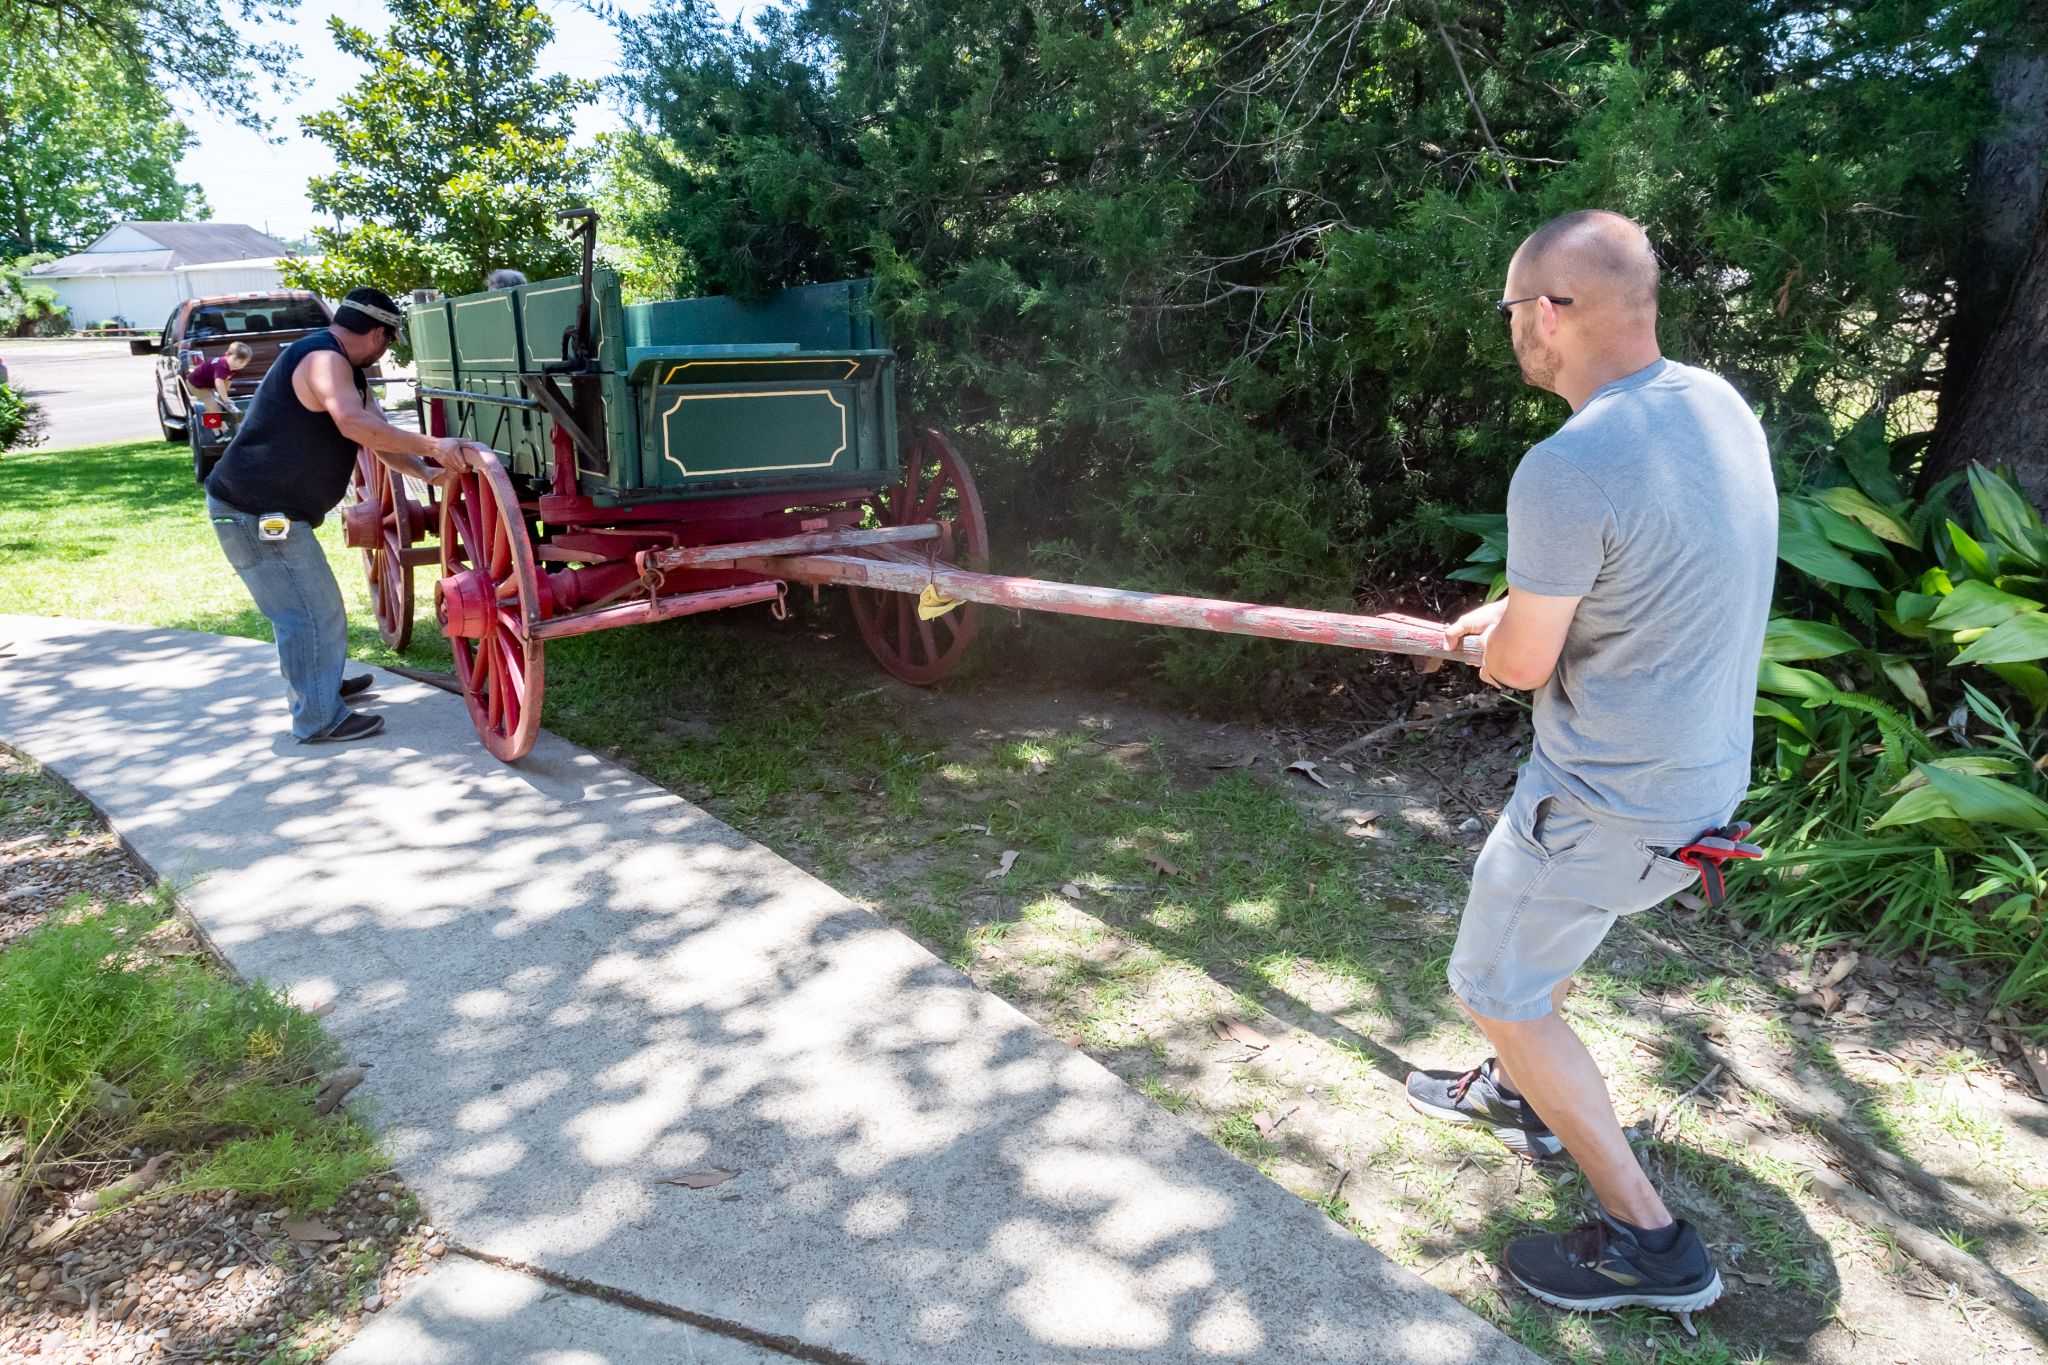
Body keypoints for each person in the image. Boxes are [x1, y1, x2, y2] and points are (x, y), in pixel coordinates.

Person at [1406, 210, 1775, 1314]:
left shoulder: (1565, 464)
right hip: (1698, 786)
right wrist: (1508, 614)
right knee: (1543, 950)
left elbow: (1522, 664)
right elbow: (1636, 575)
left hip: (1600, 801)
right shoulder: (1711, 406)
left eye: (1513, 308)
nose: (1511, 327)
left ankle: (1648, 1246)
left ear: (1553, 313)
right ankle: (1524, 1099)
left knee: (1492, 986)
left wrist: (1493, 643)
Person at [204, 286, 486, 745]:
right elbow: (353, 425)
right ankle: (318, 718)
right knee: (310, 611)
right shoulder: (323, 360)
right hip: (255, 515)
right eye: (389, 341)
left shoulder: (340, 367)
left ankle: (321, 686)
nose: (385, 351)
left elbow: (377, 436)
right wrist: (436, 446)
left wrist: (423, 472)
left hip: (265, 511)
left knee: (306, 607)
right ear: (377, 333)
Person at [187, 341, 252, 419]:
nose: (237, 364)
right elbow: (219, 382)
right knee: (212, 406)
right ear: (227, 354)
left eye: (242, 362)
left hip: (208, 385)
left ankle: (218, 425)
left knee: (217, 404)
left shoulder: (234, 367)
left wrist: (223, 396)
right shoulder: (221, 364)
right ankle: (218, 429)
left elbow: (228, 380)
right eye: (234, 359)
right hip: (196, 384)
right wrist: (225, 399)